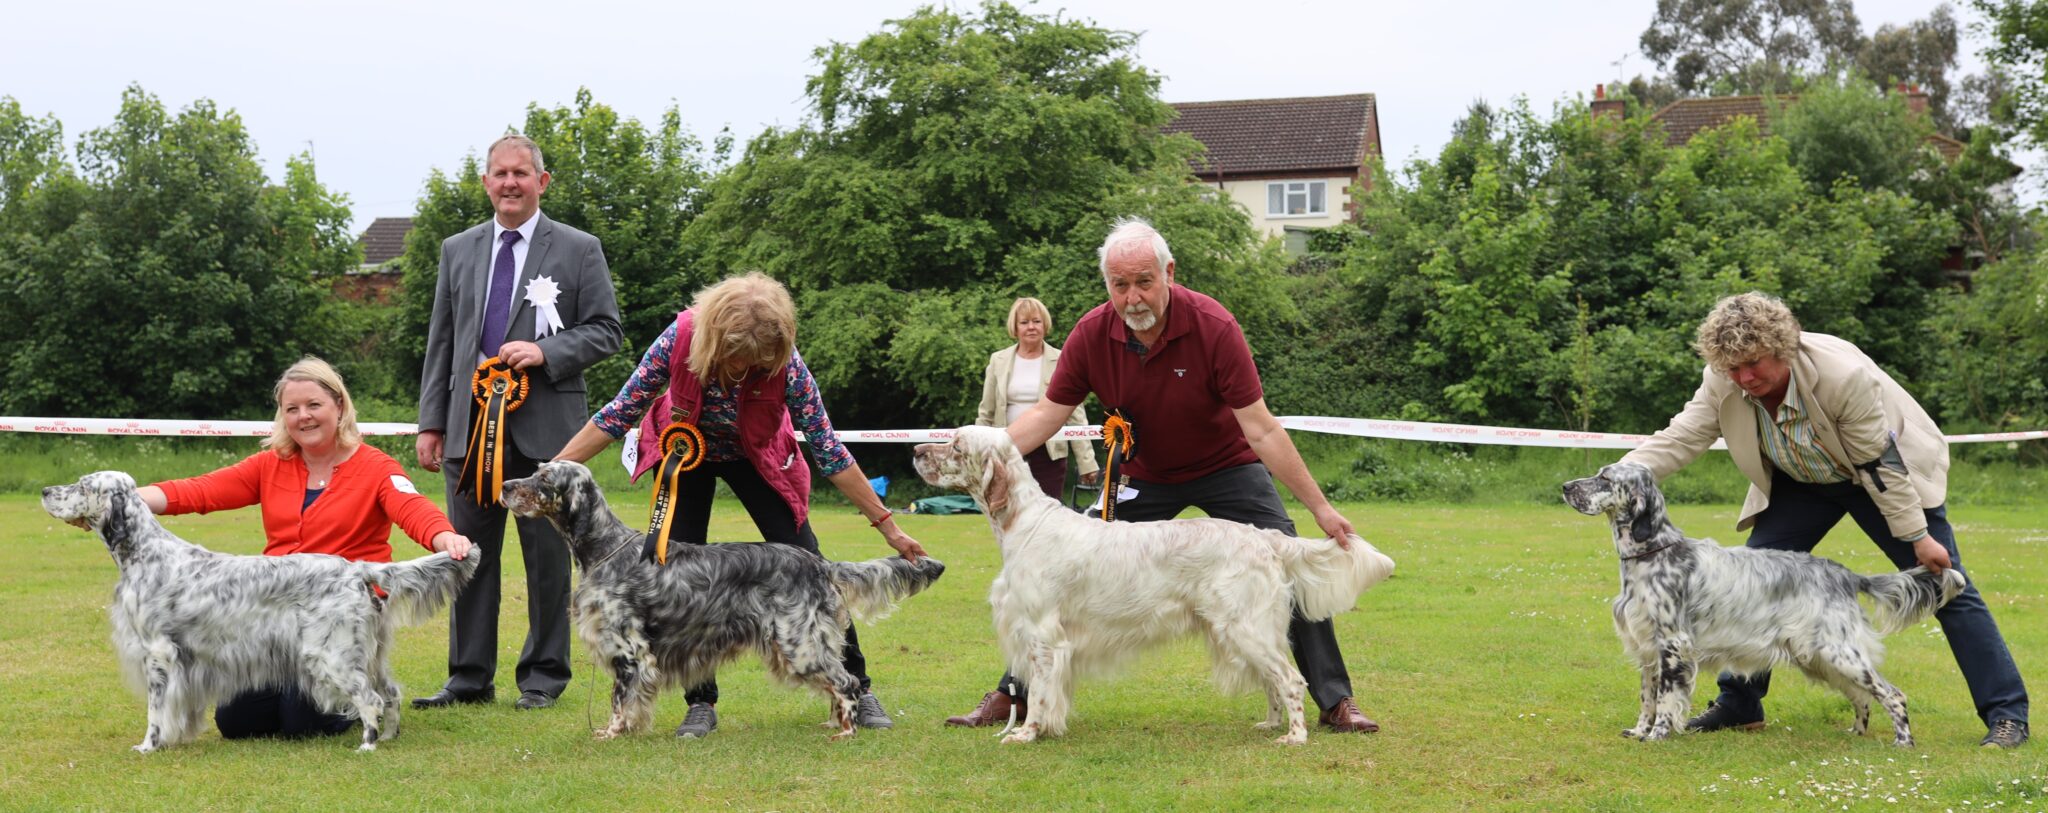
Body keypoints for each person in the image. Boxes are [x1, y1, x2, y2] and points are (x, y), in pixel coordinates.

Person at [946, 217, 1381, 734]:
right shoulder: (1091, 334)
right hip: (1144, 472)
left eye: (1144, 282)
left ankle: (1335, 700)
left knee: (1280, 551)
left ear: (1169, 273)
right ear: (1107, 284)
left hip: (1226, 465)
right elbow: (1046, 414)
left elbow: (1262, 430)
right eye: (1119, 284)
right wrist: (995, 453)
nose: (1132, 297)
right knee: (1055, 568)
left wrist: (1320, 508)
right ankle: (1012, 696)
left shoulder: (1214, 326)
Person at [1619, 291, 2029, 748]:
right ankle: (1740, 703)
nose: (1744, 377)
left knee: (1949, 583)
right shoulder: (1724, 377)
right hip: (1803, 480)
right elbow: (1682, 436)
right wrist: (1619, 473)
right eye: (1733, 368)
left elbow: (1879, 463)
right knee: (1750, 580)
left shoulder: (1842, 376)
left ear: (1783, 348)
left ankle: (2007, 714)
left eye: (1754, 363)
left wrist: (1918, 536)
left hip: (1881, 475)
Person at [554, 271, 927, 738]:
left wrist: (889, 526)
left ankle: (858, 688)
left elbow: (830, 450)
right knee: (676, 579)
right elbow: (618, 413)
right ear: (712, 336)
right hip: (684, 455)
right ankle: (700, 703)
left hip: (759, 457)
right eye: (733, 359)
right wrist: (551, 472)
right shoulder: (678, 340)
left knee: (808, 566)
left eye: (755, 363)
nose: (740, 371)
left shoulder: (787, 364)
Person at [138, 357, 474, 740]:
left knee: (303, 722)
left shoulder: (376, 467)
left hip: (338, 611)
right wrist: (124, 499)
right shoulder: (270, 465)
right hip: (274, 614)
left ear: (339, 406)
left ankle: (361, 696)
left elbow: (413, 508)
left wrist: (444, 537)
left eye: (314, 405)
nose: (304, 417)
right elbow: (198, 490)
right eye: (292, 409)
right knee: (237, 723)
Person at [413, 133, 623, 712]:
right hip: (468, 432)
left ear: (541, 181)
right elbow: (442, 343)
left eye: (521, 174)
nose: (510, 183)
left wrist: (546, 353)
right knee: (467, 557)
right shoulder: (457, 248)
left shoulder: (579, 248)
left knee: (547, 562)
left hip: (546, 435)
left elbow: (607, 329)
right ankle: (467, 678)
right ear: (486, 183)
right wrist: (432, 422)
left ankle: (543, 677)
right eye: (499, 174)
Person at [975, 297, 1100, 500]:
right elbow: (986, 413)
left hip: (1049, 453)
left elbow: (1076, 415)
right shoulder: (998, 361)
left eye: (1036, 321)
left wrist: (1087, 462)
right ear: (1015, 328)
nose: (1031, 327)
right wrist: (979, 454)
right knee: (1007, 514)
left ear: (1045, 324)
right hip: (1007, 451)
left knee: (1049, 516)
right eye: (1024, 322)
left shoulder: (1062, 359)